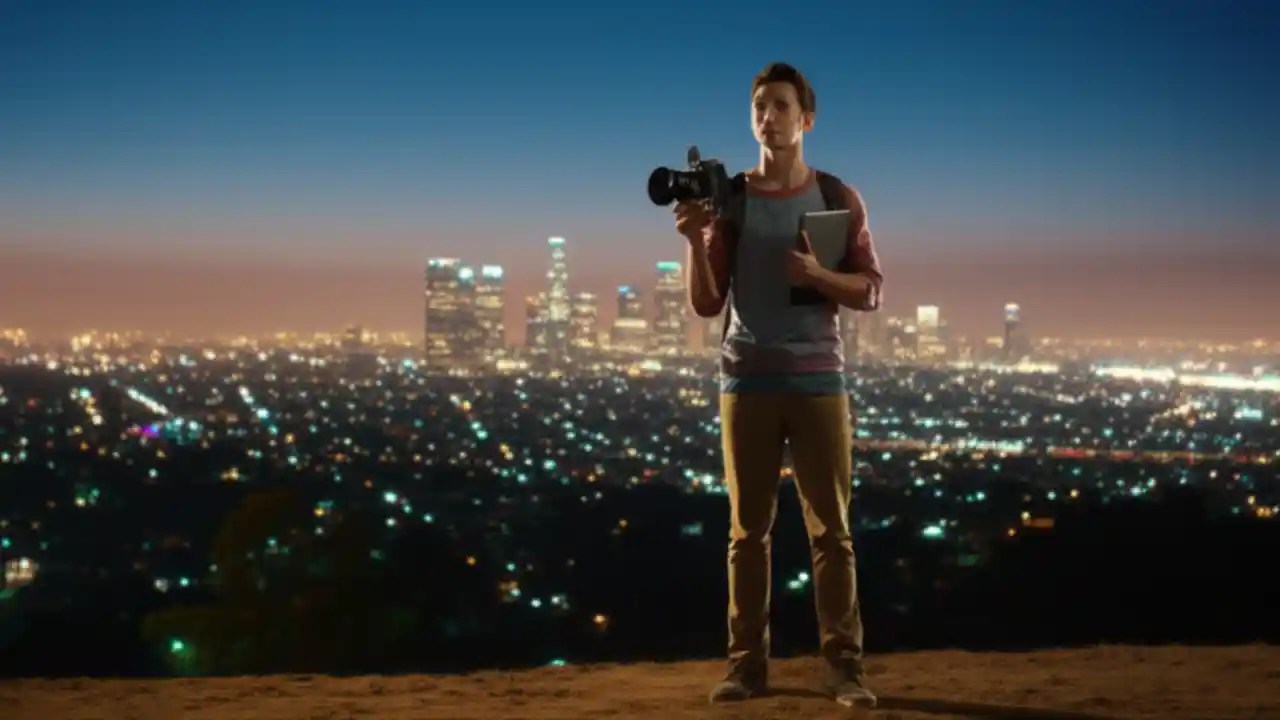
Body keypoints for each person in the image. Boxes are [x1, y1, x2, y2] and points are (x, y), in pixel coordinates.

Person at [673, 61, 884, 708]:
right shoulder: (730, 197)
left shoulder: (837, 196)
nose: (769, 116)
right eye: (760, 105)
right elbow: (709, 305)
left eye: (781, 105)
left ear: (806, 119)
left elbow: (870, 291)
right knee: (747, 532)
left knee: (832, 532)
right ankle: (746, 668)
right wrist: (691, 239)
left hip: (820, 380)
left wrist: (818, 276)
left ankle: (845, 671)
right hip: (745, 381)